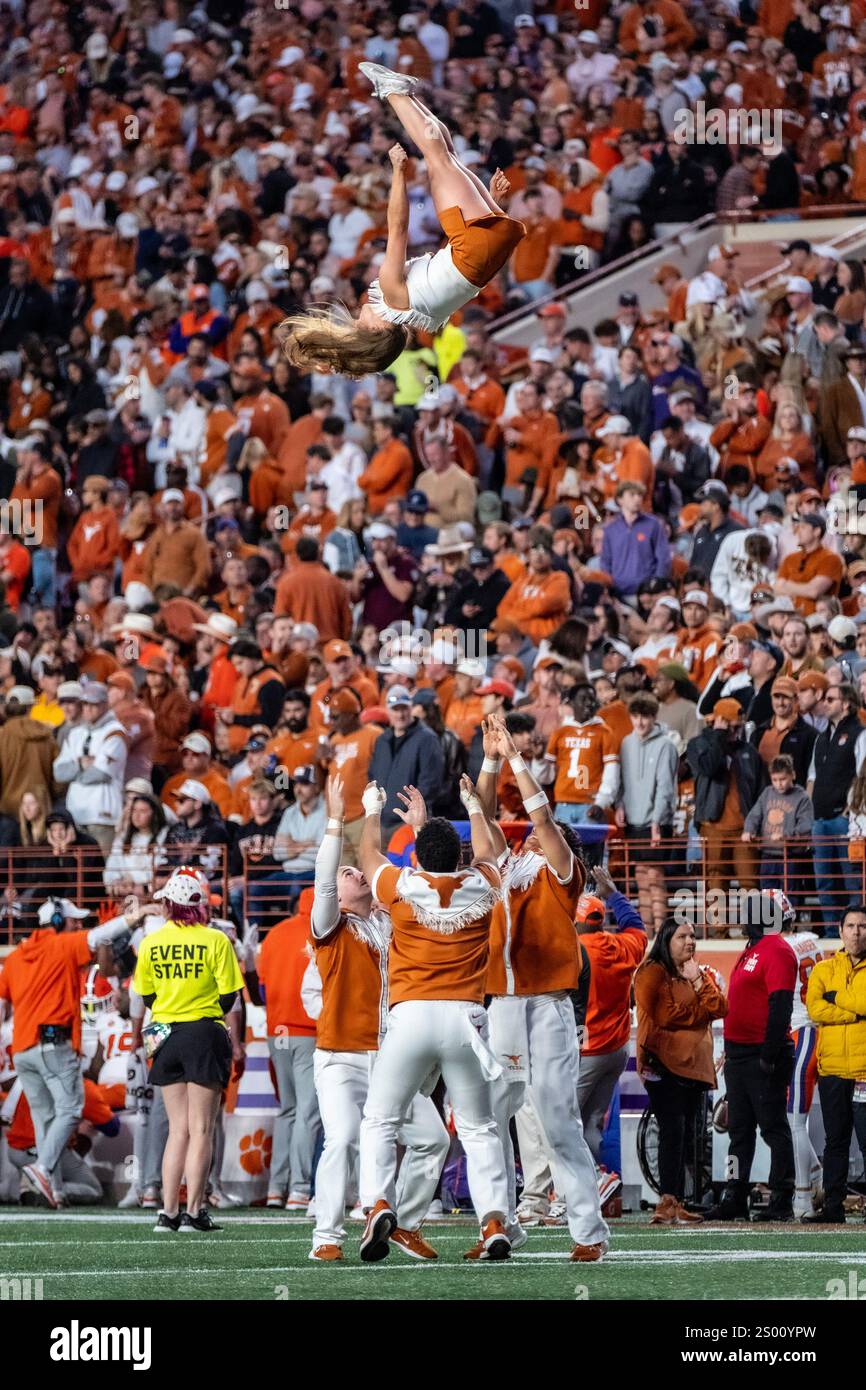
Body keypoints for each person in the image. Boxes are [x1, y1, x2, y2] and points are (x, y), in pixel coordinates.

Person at [357, 771, 512, 1263]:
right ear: (460, 857)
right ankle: (492, 1222)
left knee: (381, 1120)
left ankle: (379, 1203)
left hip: (412, 1017)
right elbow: (489, 855)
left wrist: (370, 810)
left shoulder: (402, 887)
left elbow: (368, 858)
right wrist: (472, 807)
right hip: (466, 1020)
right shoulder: (481, 886)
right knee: (480, 1128)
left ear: (419, 856)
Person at [281, 68, 524, 374]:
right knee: (436, 153)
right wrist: (398, 172)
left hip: (483, 252)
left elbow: (458, 275)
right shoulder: (393, 296)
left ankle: (404, 93)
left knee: (444, 153)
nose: (357, 317)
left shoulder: (419, 316)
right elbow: (397, 229)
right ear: (377, 331)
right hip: (472, 248)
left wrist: (491, 208)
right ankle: (393, 91)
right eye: (360, 325)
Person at [477, 712, 611, 1263]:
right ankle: (502, 1224)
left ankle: (588, 1232)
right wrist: (488, 760)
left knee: (556, 1117)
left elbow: (544, 817)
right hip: (504, 1004)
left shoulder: (563, 873)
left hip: (547, 1006)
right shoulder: (510, 869)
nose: (528, 834)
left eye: (536, 833)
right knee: (490, 1113)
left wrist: (514, 758)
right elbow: (481, 819)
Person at [308, 775, 449, 1261]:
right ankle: (326, 1234)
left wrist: (422, 830)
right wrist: (334, 822)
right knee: (343, 1138)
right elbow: (325, 879)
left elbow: (433, 884)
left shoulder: (392, 919)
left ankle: (403, 1224)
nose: (357, 875)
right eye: (350, 874)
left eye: (358, 870)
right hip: (342, 1057)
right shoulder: (330, 926)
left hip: (392, 1057)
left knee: (433, 1139)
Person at [0, 897, 145, 1206]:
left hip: (23, 1050)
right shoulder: (61, 946)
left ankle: (53, 1186)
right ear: (56, 922)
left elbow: (3, 1001)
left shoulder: (15, 958)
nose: (77, 925)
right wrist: (135, 917)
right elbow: (100, 936)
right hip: (53, 1043)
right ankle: (41, 1169)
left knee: (45, 1119)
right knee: (70, 1109)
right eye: (73, 920)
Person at [131, 866, 244, 1233]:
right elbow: (229, 996)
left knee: (177, 1130)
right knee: (201, 1129)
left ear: (167, 904)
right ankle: (194, 1211)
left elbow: (146, 995)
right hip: (203, 1031)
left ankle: (167, 1212)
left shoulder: (151, 942)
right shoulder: (215, 940)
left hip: (164, 1034)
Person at [706, 890, 797, 1223]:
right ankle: (735, 1193)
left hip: (761, 1054)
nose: (744, 917)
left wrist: (769, 1053)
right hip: (740, 1055)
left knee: (773, 1128)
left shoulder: (777, 950)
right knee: (739, 1132)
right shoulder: (753, 950)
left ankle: (781, 1199)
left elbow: (781, 1004)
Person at [634, 916, 728, 1225]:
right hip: (661, 1064)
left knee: (688, 1135)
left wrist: (699, 981)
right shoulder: (650, 972)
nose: (690, 942)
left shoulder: (695, 973)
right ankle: (667, 1201)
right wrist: (702, 1014)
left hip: (692, 1068)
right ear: (666, 941)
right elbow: (667, 1016)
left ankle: (677, 1201)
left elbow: (721, 1008)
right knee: (672, 1132)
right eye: (682, 937)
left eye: (692, 936)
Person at [575, 867, 647, 1173]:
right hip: (616, 1049)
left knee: (562, 1126)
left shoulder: (574, 950)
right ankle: (594, 1187)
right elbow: (636, 926)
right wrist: (614, 893)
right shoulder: (622, 946)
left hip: (586, 1050)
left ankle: (570, 1193)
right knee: (591, 1123)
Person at [256, 903, 322, 1214]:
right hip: (307, 1029)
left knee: (288, 1111)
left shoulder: (276, 933)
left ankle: (275, 1188)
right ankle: (298, 1189)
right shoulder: (323, 927)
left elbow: (261, 985)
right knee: (308, 1113)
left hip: (276, 1030)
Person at [804, 905, 866, 1223]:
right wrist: (853, 1012)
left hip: (864, 1073)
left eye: (862, 926)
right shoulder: (822, 970)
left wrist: (837, 999)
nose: (857, 932)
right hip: (831, 1069)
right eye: (851, 926)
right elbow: (815, 1009)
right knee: (835, 1142)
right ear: (840, 931)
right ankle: (833, 1208)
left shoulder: (829, 978)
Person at [616, 693, 678, 932]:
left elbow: (665, 787)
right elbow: (622, 780)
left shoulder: (666, 745)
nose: (640, 722)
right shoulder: (625, 743)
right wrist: (620, 804)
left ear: (654, 717)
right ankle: (646, 931)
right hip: (633, 819)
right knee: (641, 877)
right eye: (636, 716)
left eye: (646, 716)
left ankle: (661, 932)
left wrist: (657, 820)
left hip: (657, 821)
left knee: (655, 877)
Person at [779, 904, 822, 1220]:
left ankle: (804, 1197)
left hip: (800, 1031)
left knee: (794, 1119)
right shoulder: (811, 938)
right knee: (794, 1118)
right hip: (816, 1031)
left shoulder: (779, 948)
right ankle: (817, 1175)